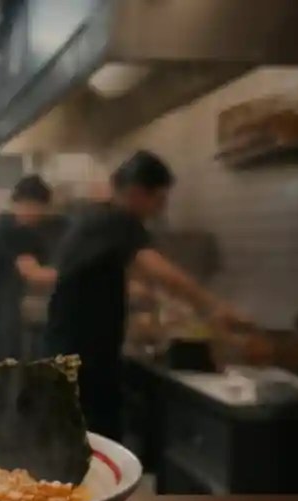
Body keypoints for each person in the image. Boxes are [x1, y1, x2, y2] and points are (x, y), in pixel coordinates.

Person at [21, 151, 244, 438]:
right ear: (138, 192)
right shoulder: (119, 220)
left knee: (80, 446)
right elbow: (158, 270)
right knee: (95, 445)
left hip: (71, 351)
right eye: (159, 200)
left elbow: (96, 275)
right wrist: (213, 307)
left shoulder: (97, 218)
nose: (160, 209)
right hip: (85, 358)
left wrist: (139, 295)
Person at [0, 175, 54, 361]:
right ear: (16, 204)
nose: (32, 212)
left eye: (37, 207)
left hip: (10, 311)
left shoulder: (35, 231)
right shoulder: (0, 230)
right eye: (27, 206)